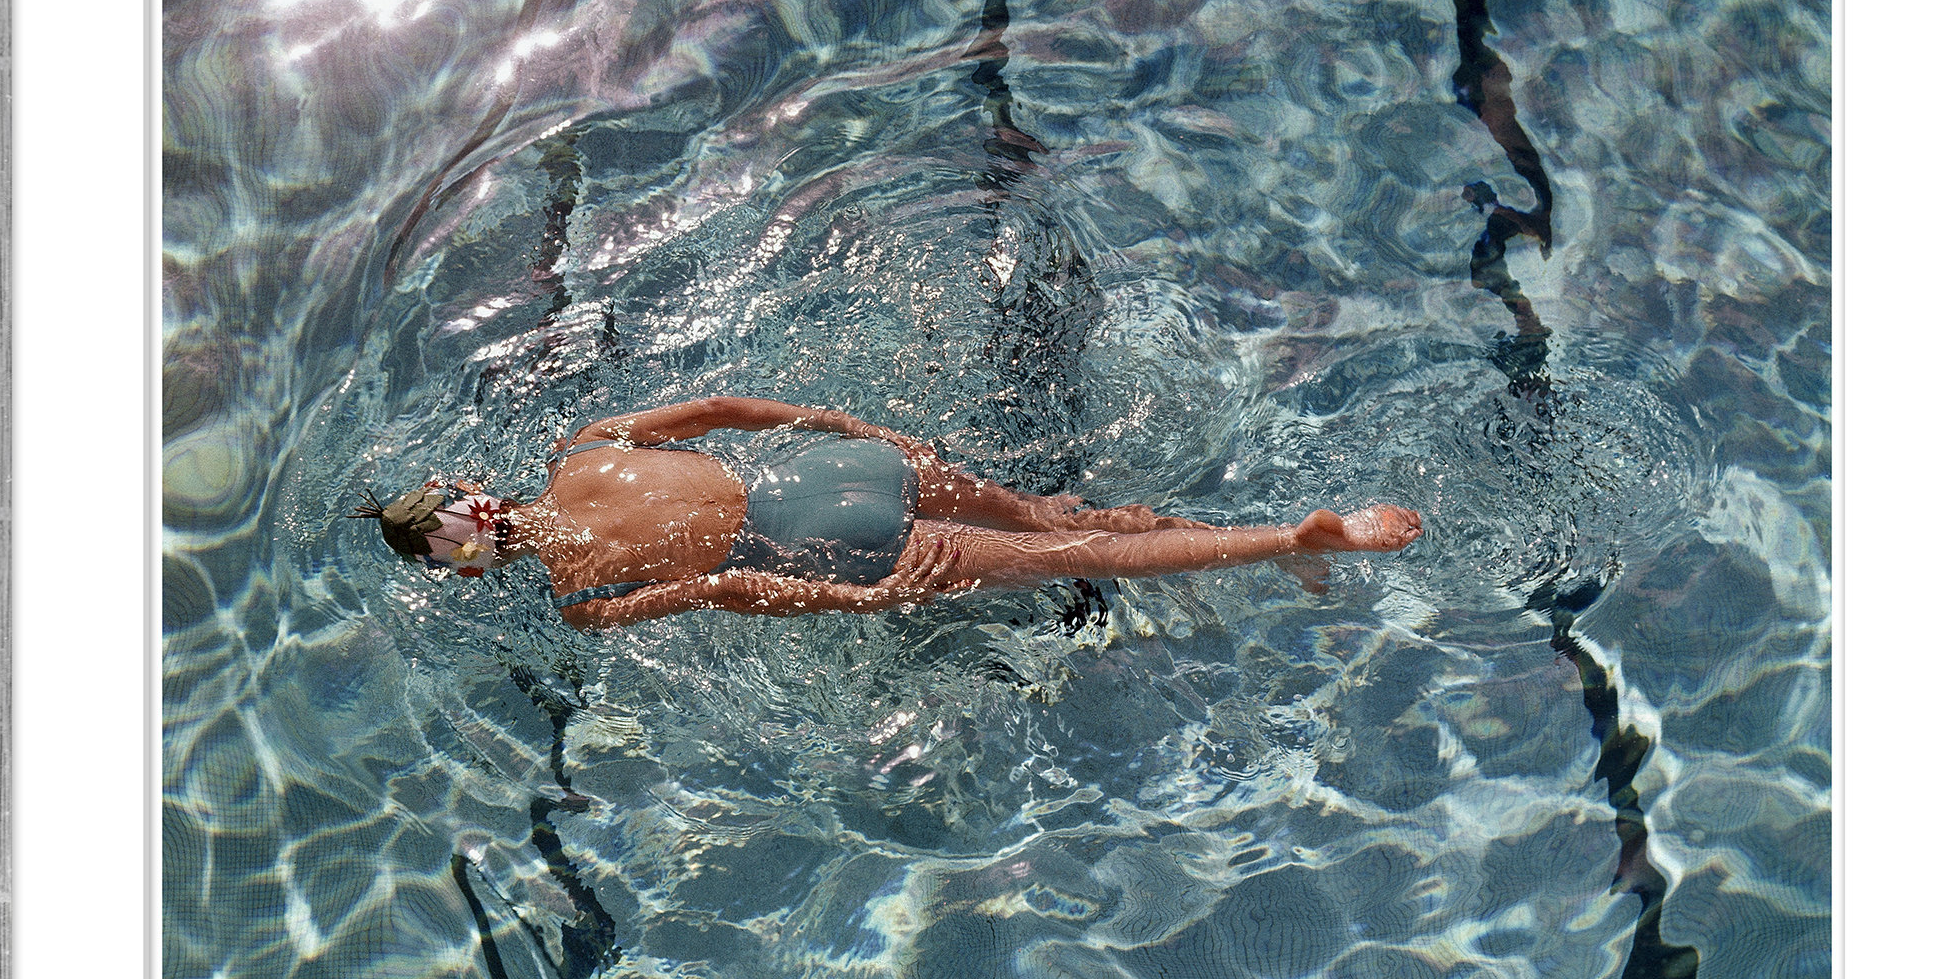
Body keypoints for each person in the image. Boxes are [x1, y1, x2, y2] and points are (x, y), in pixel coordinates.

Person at [355, 396, 1422, 631]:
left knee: (1079, 556)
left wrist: (859, 598)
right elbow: (729, 409)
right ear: (474, 490)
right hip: (841, 468)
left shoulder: (582, 601)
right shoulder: (583, 446)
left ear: (465, 562)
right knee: (1057, 515)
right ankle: (1272, 540)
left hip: (833, 542)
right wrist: (850, 428)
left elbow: (731, 589)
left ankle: (1288, 540)